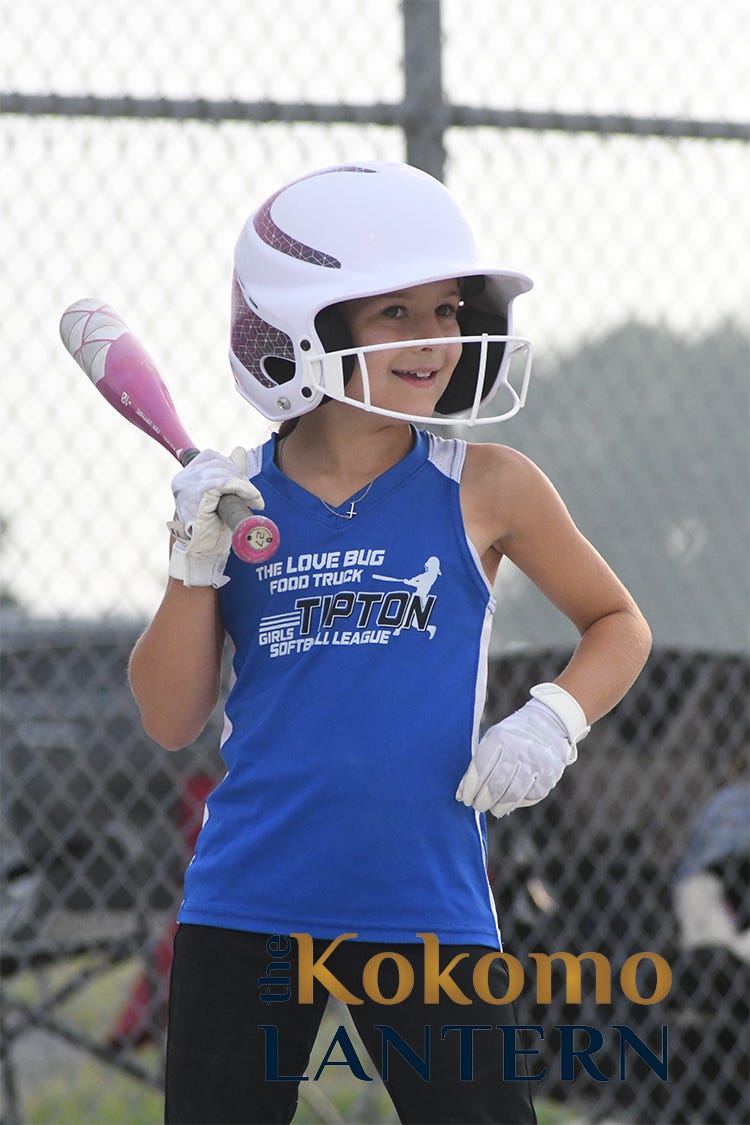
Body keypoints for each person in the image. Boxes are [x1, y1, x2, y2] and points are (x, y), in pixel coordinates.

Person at [128, 161, 652, 1125]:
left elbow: (619, 623)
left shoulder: (486, 481)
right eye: (396, 314)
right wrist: (191, 566)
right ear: (304, 330)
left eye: (448, 309)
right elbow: (169, 717)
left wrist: (553, 720)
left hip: (428, 905)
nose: (438, 340)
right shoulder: (232, 499)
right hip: (248, 905)